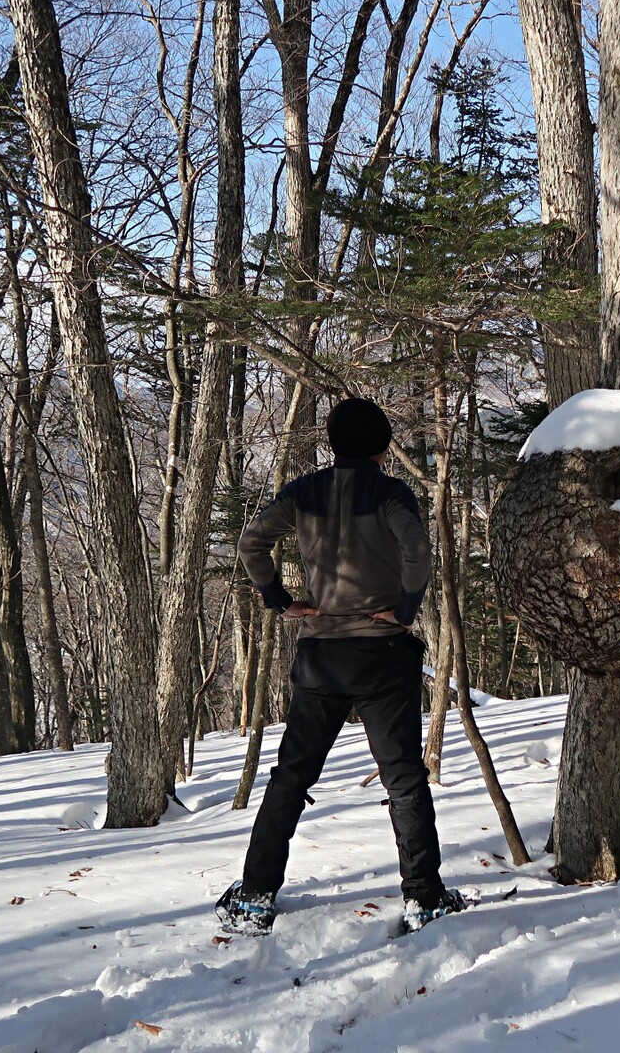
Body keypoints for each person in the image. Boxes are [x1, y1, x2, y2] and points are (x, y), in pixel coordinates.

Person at [216, 397, 463, 936]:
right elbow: (418, 550)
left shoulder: (304, 492)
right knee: (403, 777)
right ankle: (423, 897)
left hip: (321, 653)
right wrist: (403, 608)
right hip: (382, 653)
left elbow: (252, 542)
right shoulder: (390, 492)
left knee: (291, 777)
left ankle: (256, 895)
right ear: (382, 445)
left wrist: (279, 599)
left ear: (331, 442)